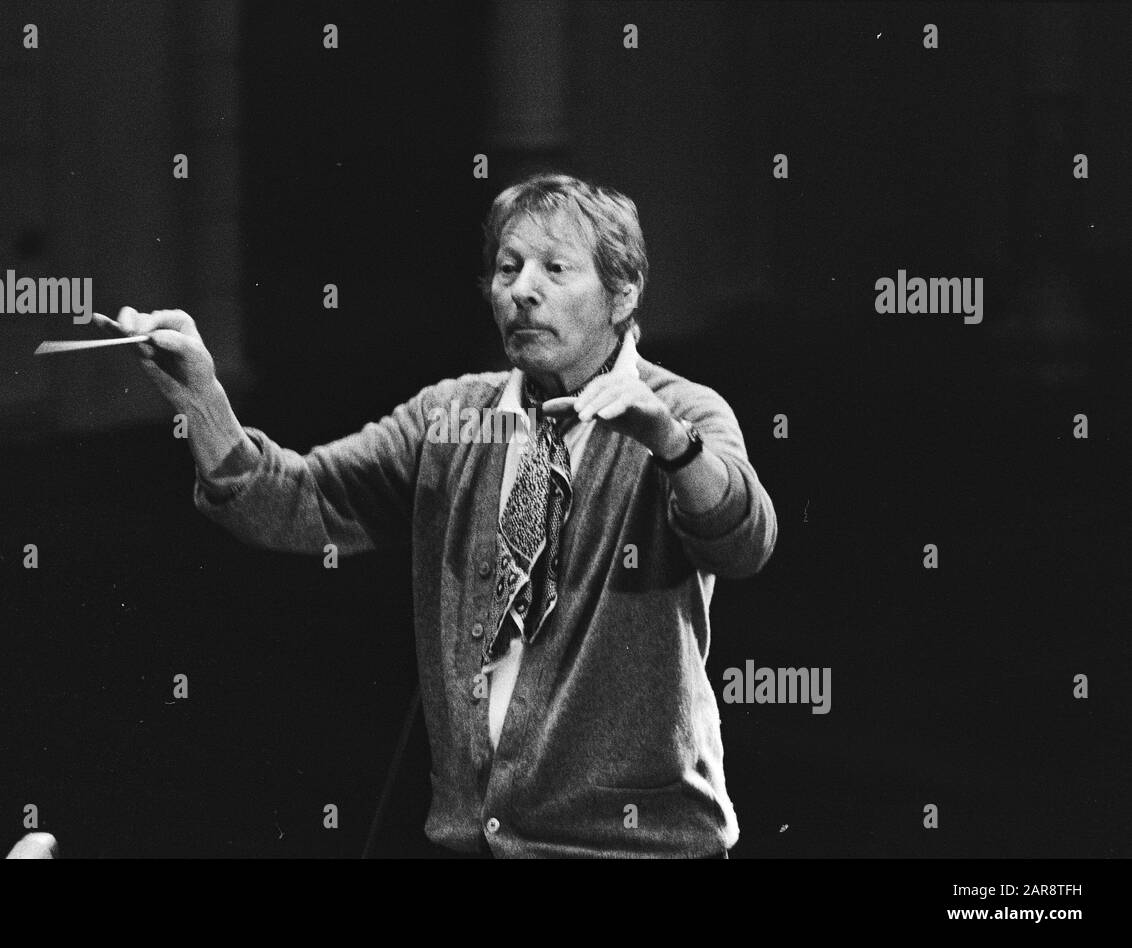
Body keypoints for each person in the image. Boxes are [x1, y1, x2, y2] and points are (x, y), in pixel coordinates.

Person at [105, 172, 777, 858]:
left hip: (637, 847)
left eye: (555, 268)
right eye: (508, 268)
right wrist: (202, 397)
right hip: (480, 843)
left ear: (623, 292)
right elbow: (297, 499)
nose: (522, 290)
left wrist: (668, 442)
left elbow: (743, 542)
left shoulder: (684, 413)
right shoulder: (453, 416)